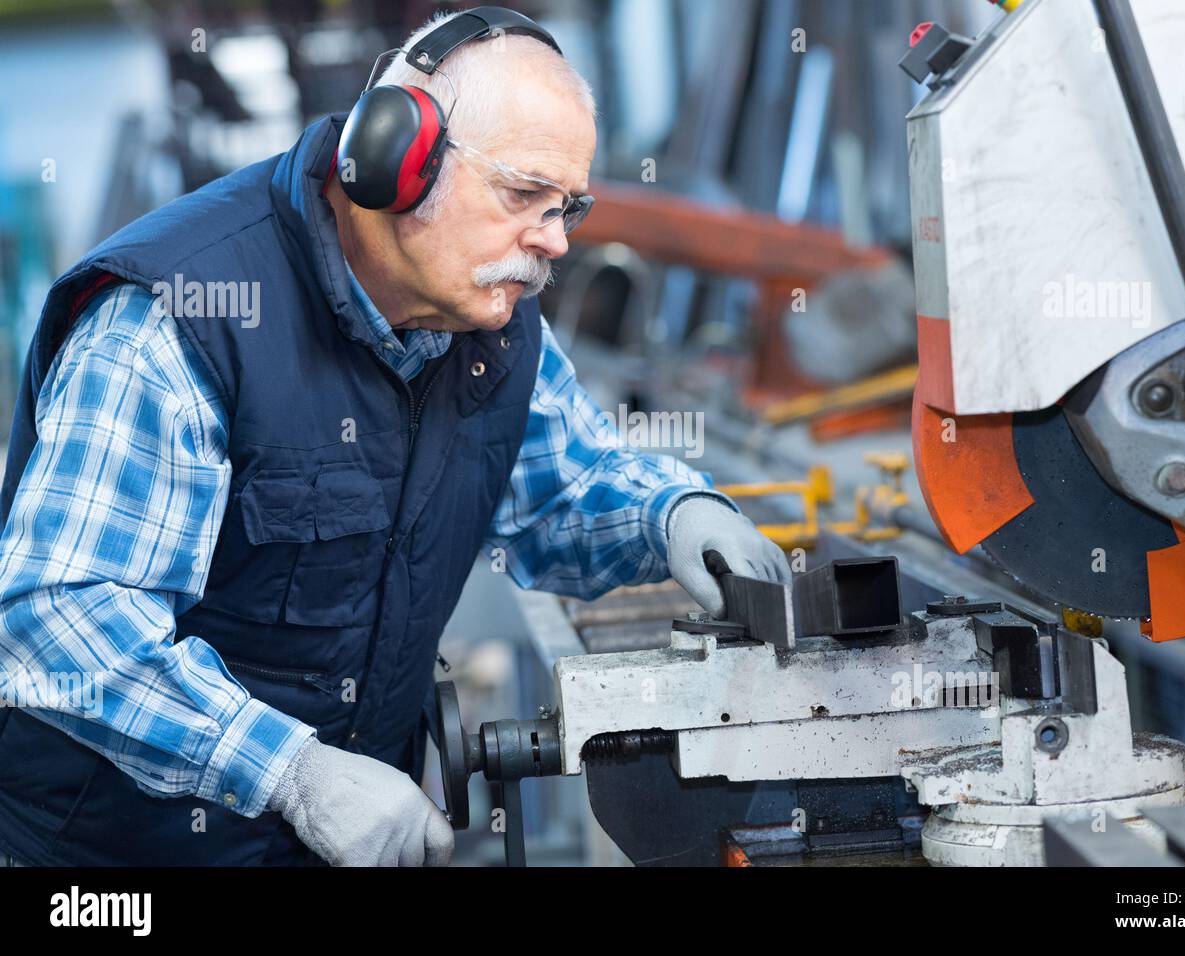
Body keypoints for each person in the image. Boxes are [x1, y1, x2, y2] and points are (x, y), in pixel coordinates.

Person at [0, 7, 788, 866]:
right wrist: (296, 774)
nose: (555, 241)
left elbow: (559, 484)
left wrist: (670, 515)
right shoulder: (183, 319)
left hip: (346, 841)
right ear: (393, 162)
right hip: (119, 859)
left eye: (569, 207)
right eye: (525, 195)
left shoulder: (490, 323)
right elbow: (61, 617)